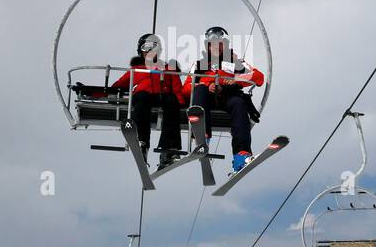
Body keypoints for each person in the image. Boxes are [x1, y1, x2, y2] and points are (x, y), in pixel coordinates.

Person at [185, 26, 265, 171]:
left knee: (239, 103)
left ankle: (241, 155)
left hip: (227, 96)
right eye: (212, 43)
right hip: (206, 98)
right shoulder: (199, 65)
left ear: (225, 44)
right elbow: (186, 87)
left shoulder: (236, 62)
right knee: (200, 89)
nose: (216, 47)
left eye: (220, 43)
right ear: (207, 46)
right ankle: (202, 138)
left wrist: (236, 80)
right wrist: (207, 84)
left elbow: (258, 77)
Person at [111, 33, 187, 168]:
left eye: (153, 48)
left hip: (162, 96)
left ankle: (168, 148)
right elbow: (117, 86)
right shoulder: (136, 70)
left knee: (171, 100)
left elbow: (176, 89)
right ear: (141, 51)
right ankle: (142, 141)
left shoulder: (168, 68)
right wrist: (94, 92)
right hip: (144, 98)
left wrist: (180, 103)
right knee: (141, 97)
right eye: (146, 49)